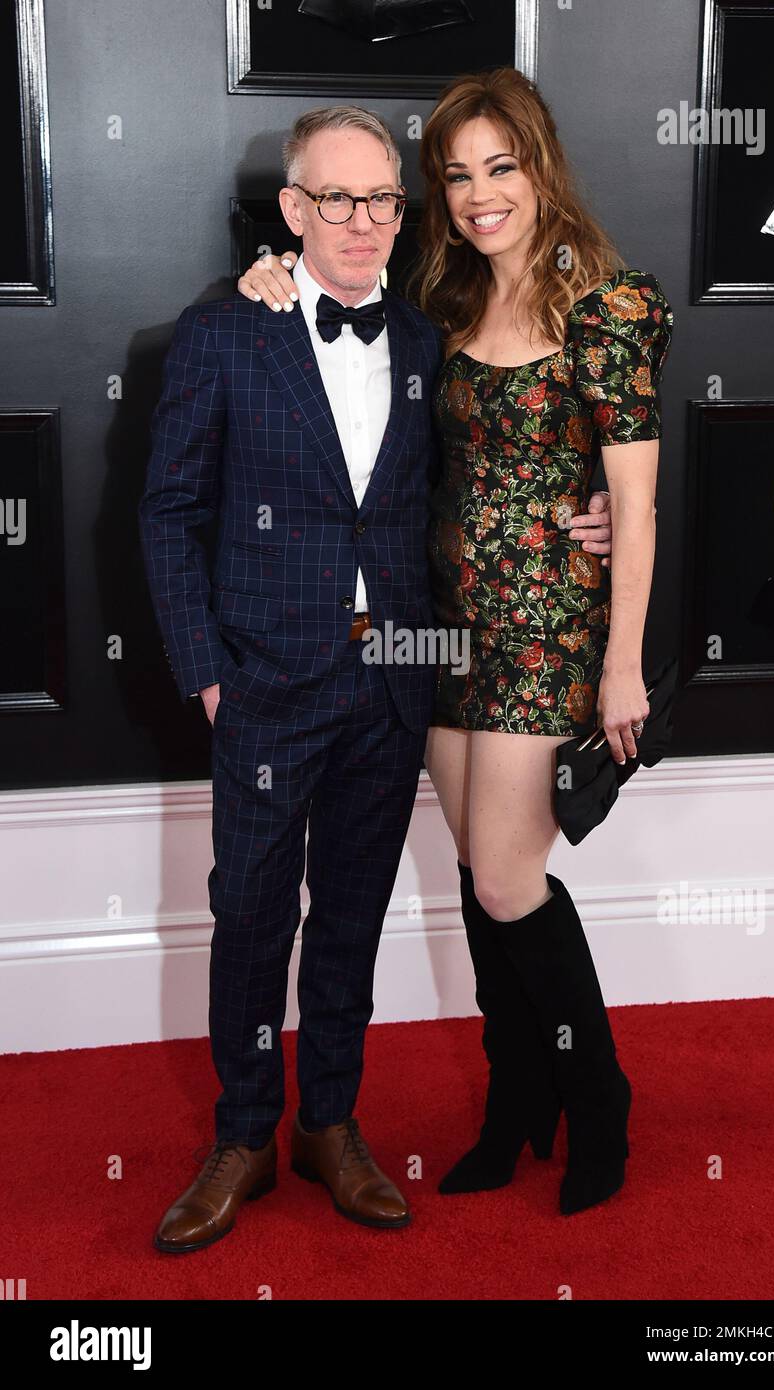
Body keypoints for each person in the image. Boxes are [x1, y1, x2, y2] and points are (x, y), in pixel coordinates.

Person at [139, 98, 616, 1252]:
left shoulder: (424, 338)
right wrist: (208, 673)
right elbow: (166, 510)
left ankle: (332, 1125)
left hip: (396, 678)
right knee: (251, 916)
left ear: (404, 214)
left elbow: (492, 469)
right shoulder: (223, 330)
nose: (362, 221)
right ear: (294, 209)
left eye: (382, 199)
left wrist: (580, 514)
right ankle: (245, 1132)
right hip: (262, 683)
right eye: (335, 198)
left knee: (349, 915)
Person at [237, 68, 673, 1217]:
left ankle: (599, 1100)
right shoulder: (438, 290)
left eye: (501, 166)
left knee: (509, 874)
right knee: (479, 888)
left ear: (540, 164)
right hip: (438, 632)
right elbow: (342, 345)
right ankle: (512, 1101)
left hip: (543, 629)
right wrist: (268, 277)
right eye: (457, 173)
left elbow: (632, 503)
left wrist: (621, 664)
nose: (480, 193)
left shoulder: (608, 304)